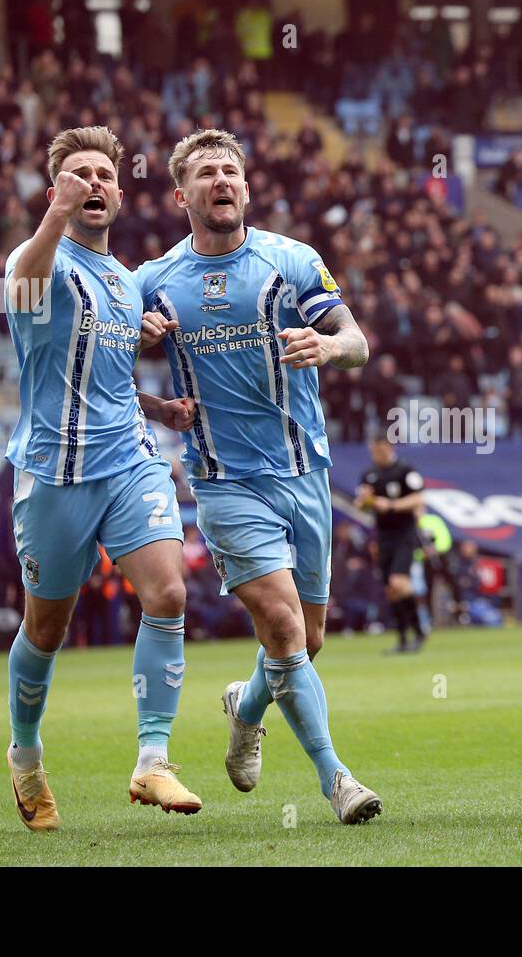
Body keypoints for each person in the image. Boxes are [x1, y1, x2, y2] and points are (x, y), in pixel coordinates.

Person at [136, 128, 381, 824]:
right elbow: (95, 372)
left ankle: (245, 712)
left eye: (231, 172)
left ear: (246, 186)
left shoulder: (292, 260)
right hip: (222, 479)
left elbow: (358, 343)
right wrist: (155, 399)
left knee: (307, 637)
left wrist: (327, 345)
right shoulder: (153, 280)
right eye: (207, 173)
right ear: (182, 193)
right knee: (280, 625)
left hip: (305, 472)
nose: (222, 182)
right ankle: (338, 780)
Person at [1, 126, 201, 831]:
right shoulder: (38, 264)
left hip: (128, 460)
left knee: (169, 590)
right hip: (54, 473)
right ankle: (24, 752)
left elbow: (106, 382)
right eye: (77, 174)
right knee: (46, 629)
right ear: (56, 189)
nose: (93, 183)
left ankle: (152, 758)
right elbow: (26, 279)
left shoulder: (125, 281)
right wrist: (54, 213)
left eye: (103, 175)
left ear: (119, 192)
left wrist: (158, 407)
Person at [356, 437, 428, 653]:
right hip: (383, 537)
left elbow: (418, 500)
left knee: (399, 583)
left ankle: (419, 630)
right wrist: (365, 502)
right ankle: (404, 638)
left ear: (389, 447)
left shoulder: (405, 471)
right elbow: (361, 506)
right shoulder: (369, 475)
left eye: (379, 450)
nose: (375, 455)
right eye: (373, 451)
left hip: (404, 535)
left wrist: (391, 505)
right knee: (391, 590)